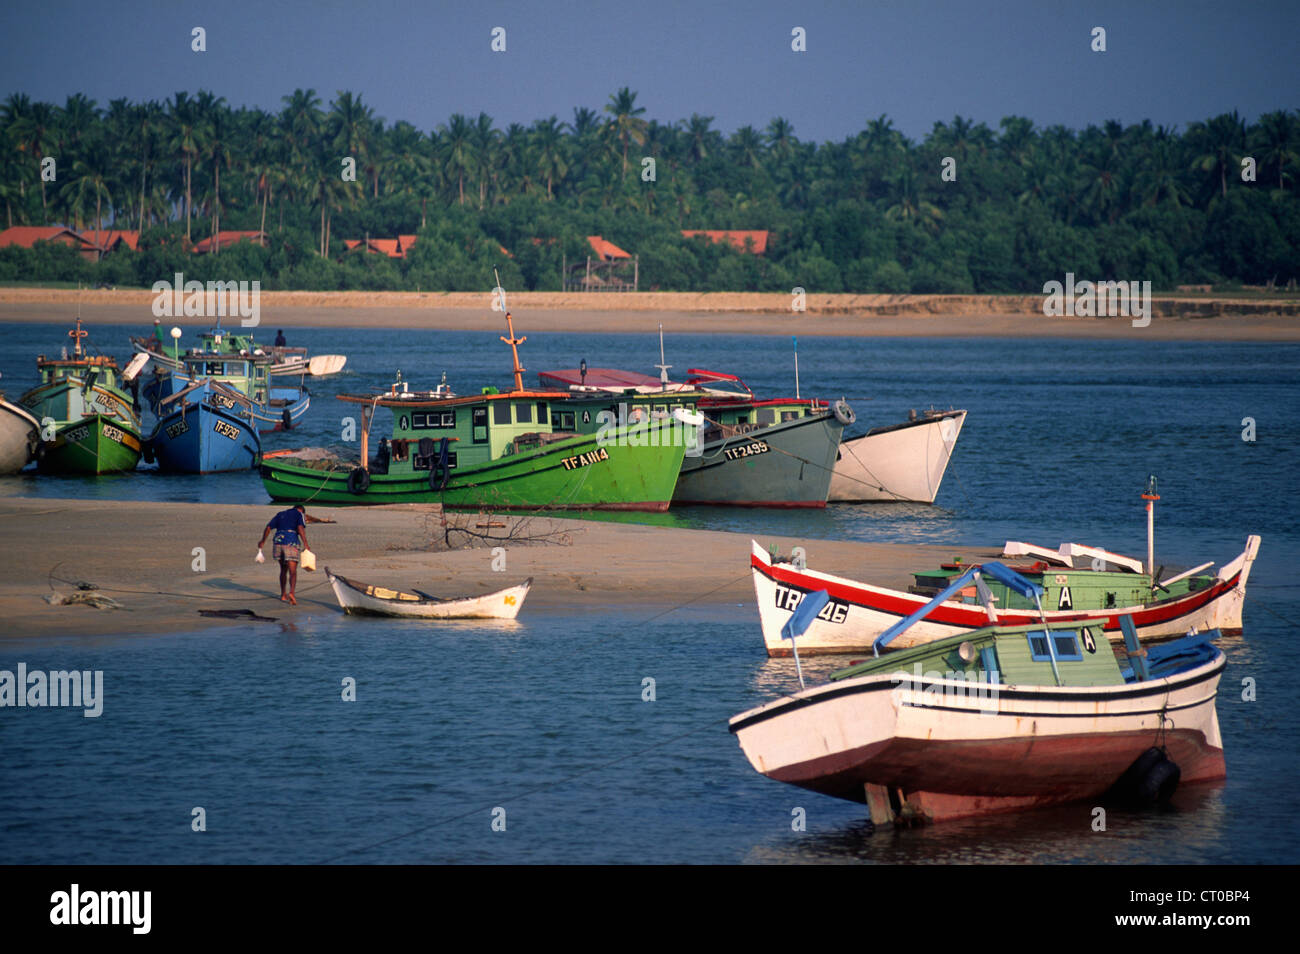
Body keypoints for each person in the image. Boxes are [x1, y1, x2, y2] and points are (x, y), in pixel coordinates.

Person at [258, 504, 310, 604]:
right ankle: (291, 593)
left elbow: (268, 527)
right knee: (292, 571)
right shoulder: (299, 514)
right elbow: (300, 528)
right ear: (302, 511)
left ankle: (283, 595)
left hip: (278, 542)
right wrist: (306, 544)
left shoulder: (280, 514)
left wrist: (263, 541)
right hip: (290, 542)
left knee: (283, 570)